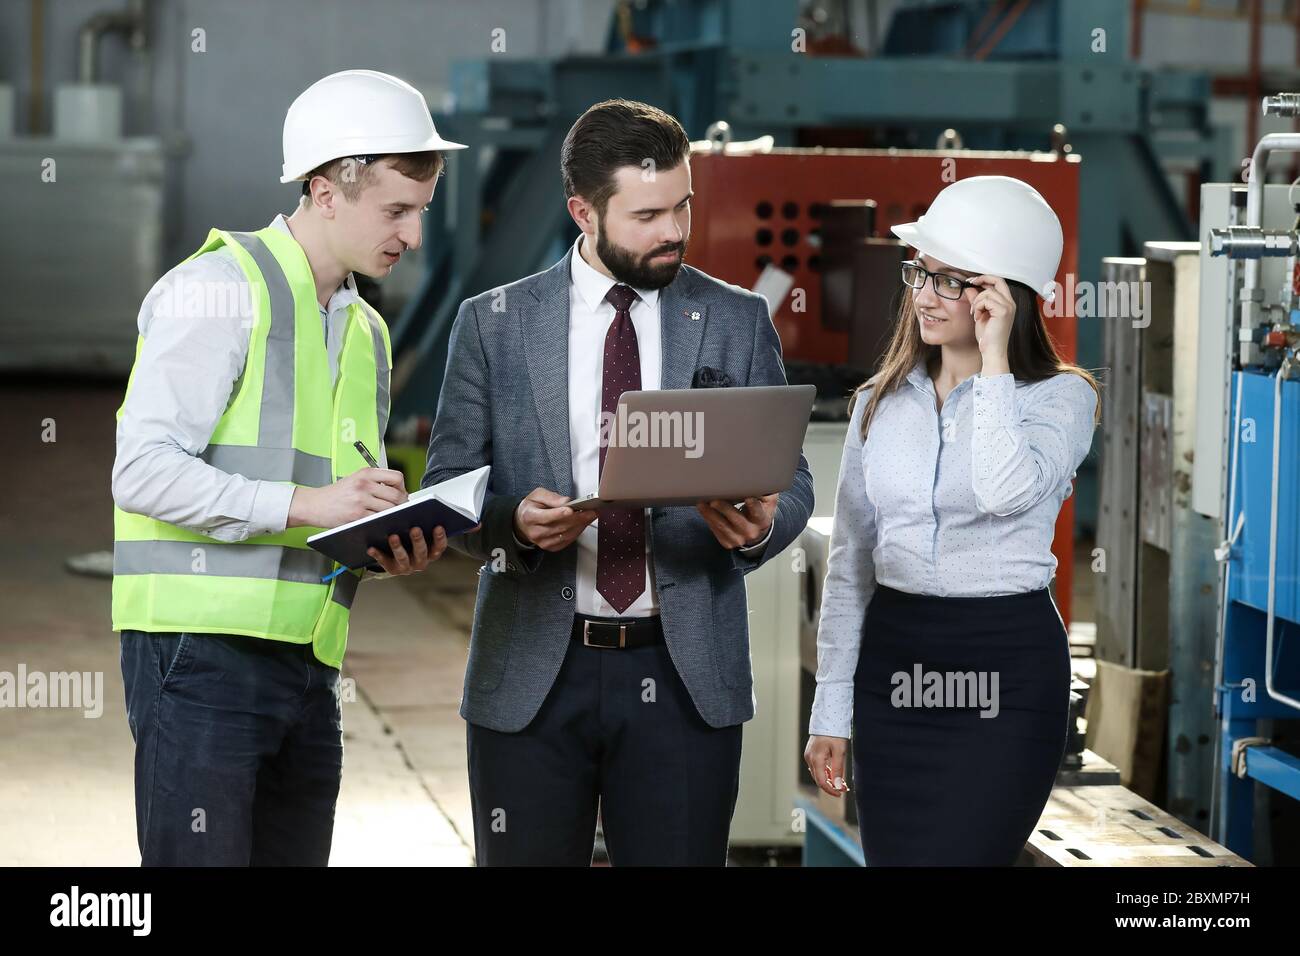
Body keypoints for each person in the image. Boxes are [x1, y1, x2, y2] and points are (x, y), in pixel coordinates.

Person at [423, 98, 815, 865]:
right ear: (582, 211)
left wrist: (766, 525)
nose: (673, 231)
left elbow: (792, 476)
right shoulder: (493, 324)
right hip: (533, 673)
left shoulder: (735, 321)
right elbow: (447, 489)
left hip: (683, 678)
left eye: (684, 207)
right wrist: (508, 523)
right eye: (647, 216)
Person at [111, 70, 466, 865]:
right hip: (199, 653)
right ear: (326, 190)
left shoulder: (367, 333)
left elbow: (331, 508)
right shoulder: (217, 291)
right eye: (396, 210)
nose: (412, 236)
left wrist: (386, 540)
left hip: (312, 666)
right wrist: (310, 503)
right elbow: (140, 473)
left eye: (421, 212)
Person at [803, 175, 1100, 866]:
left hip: (1006, 671)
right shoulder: (878, 403)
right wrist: (831, 714)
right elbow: (851, 565)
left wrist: (992, 364)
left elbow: (1003, 492)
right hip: (895, 664)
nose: (925, 297)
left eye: (952, 282)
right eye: (921, 275)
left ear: (1005, 296)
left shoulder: (1060, 401)